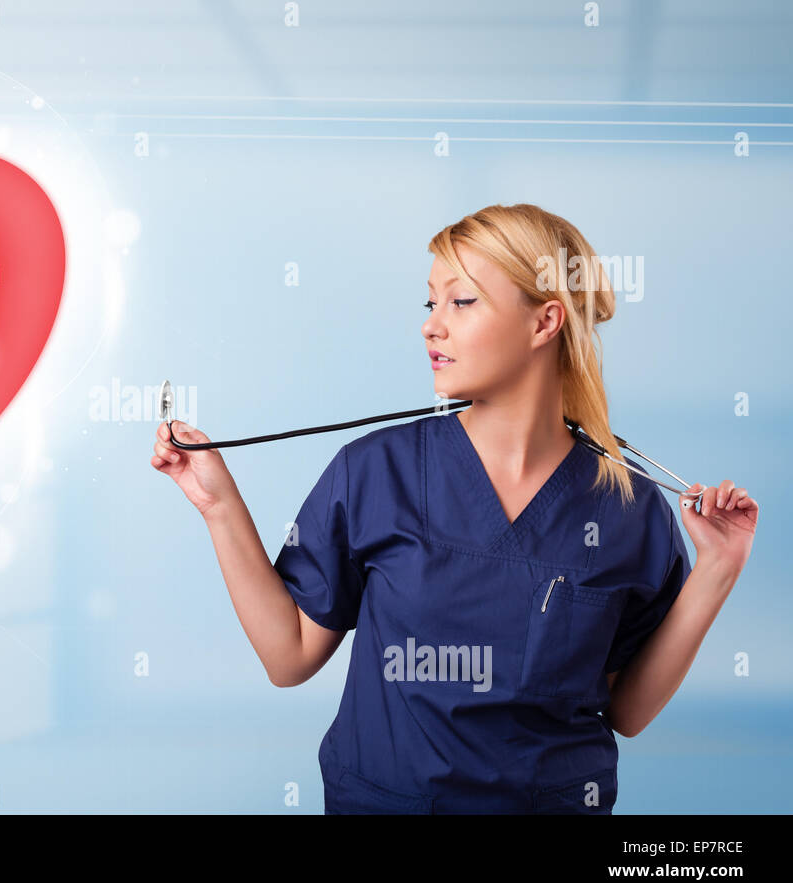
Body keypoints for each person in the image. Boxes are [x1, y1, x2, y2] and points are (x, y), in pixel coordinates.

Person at [150, 203, 759, 814]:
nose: (431, 327)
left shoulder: (630, 508)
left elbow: (625, 709)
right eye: (430, 303)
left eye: (461, 302)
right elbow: (289, 657)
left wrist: (718, 567)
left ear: (545, 322)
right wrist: (217, 503)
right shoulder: (375, 473)